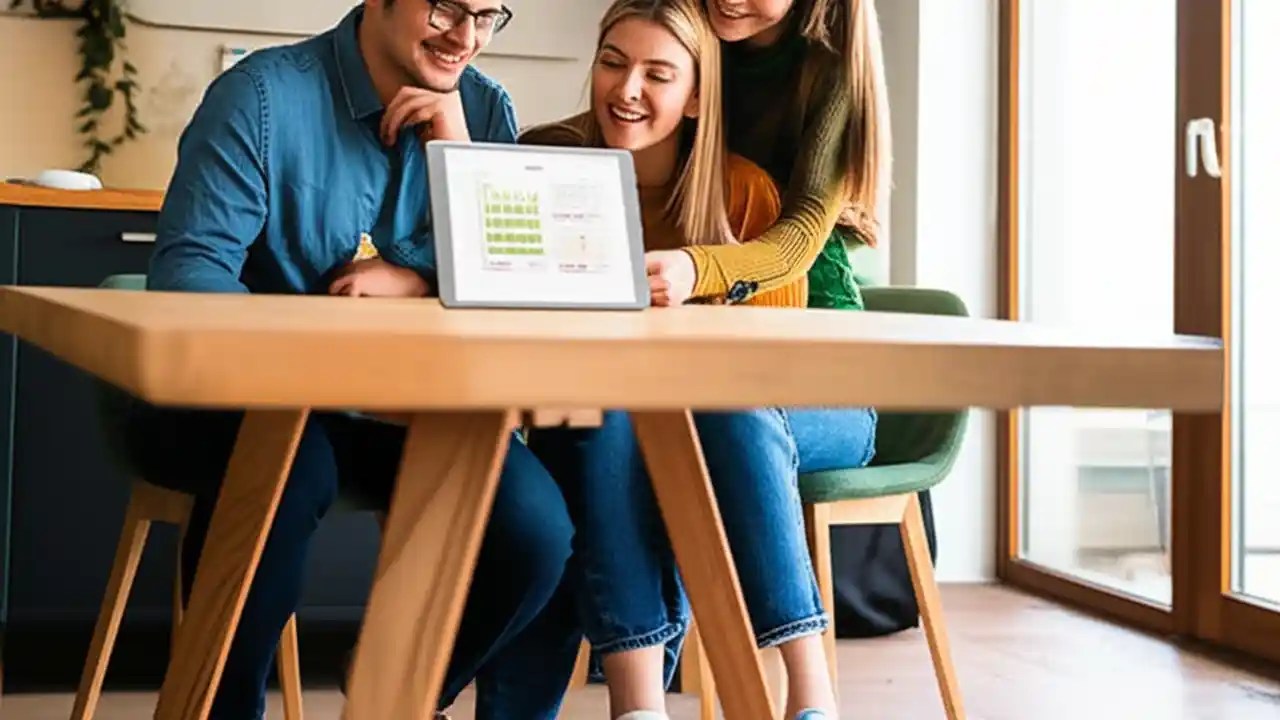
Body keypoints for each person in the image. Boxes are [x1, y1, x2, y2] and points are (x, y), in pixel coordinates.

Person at [122, 2, 580, 718]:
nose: (466, 38)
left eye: (488, 15)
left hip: (401, 408)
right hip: (255, 398)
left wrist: (420, 267)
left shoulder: (484, 109)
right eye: (447, 8)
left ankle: (390, 692)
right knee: (282, 473)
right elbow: (192, 280)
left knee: (534, 530)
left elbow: (511, 285)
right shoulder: (263, 97)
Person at [519, 1, 880, 718]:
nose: (630, 89)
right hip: (665, 395)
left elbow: (796, 241)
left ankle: (809, 695)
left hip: (816, 370)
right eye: (615, 65)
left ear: (695, 96)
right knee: (611, 416)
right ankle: (640, 704)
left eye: (659, 75)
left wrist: (694, 270)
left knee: (725, 405)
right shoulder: (564, 154)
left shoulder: (820, 85)